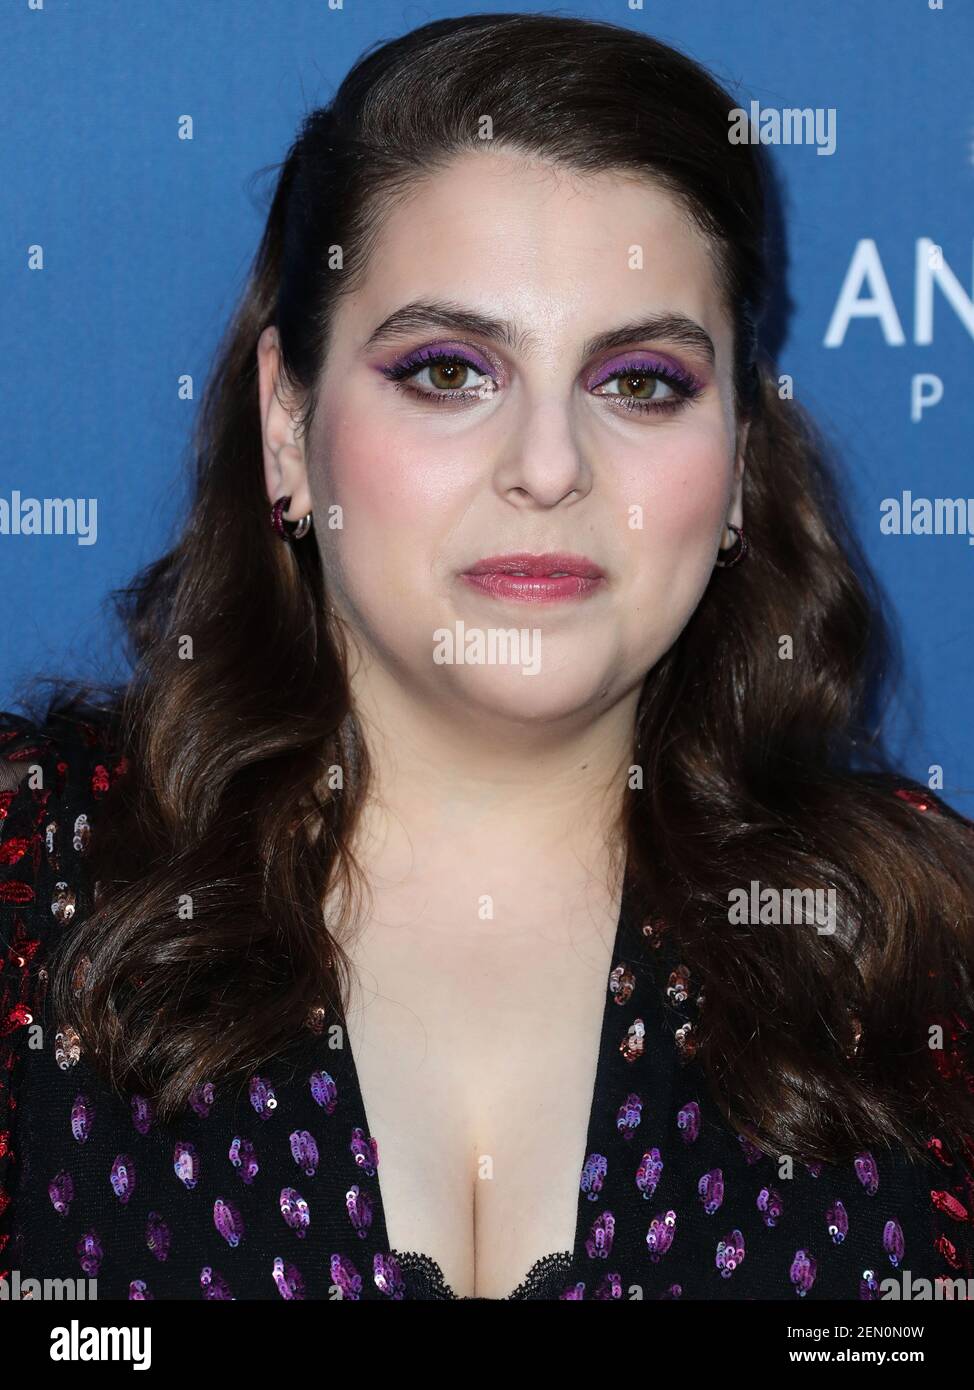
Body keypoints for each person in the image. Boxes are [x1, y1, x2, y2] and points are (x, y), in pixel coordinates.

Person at [1, 12, 973, 1303]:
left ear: (737, 460)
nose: (549, 467)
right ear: (287, 428)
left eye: (638, 382)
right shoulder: (35, 889)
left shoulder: (913, 949)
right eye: (449, 369)